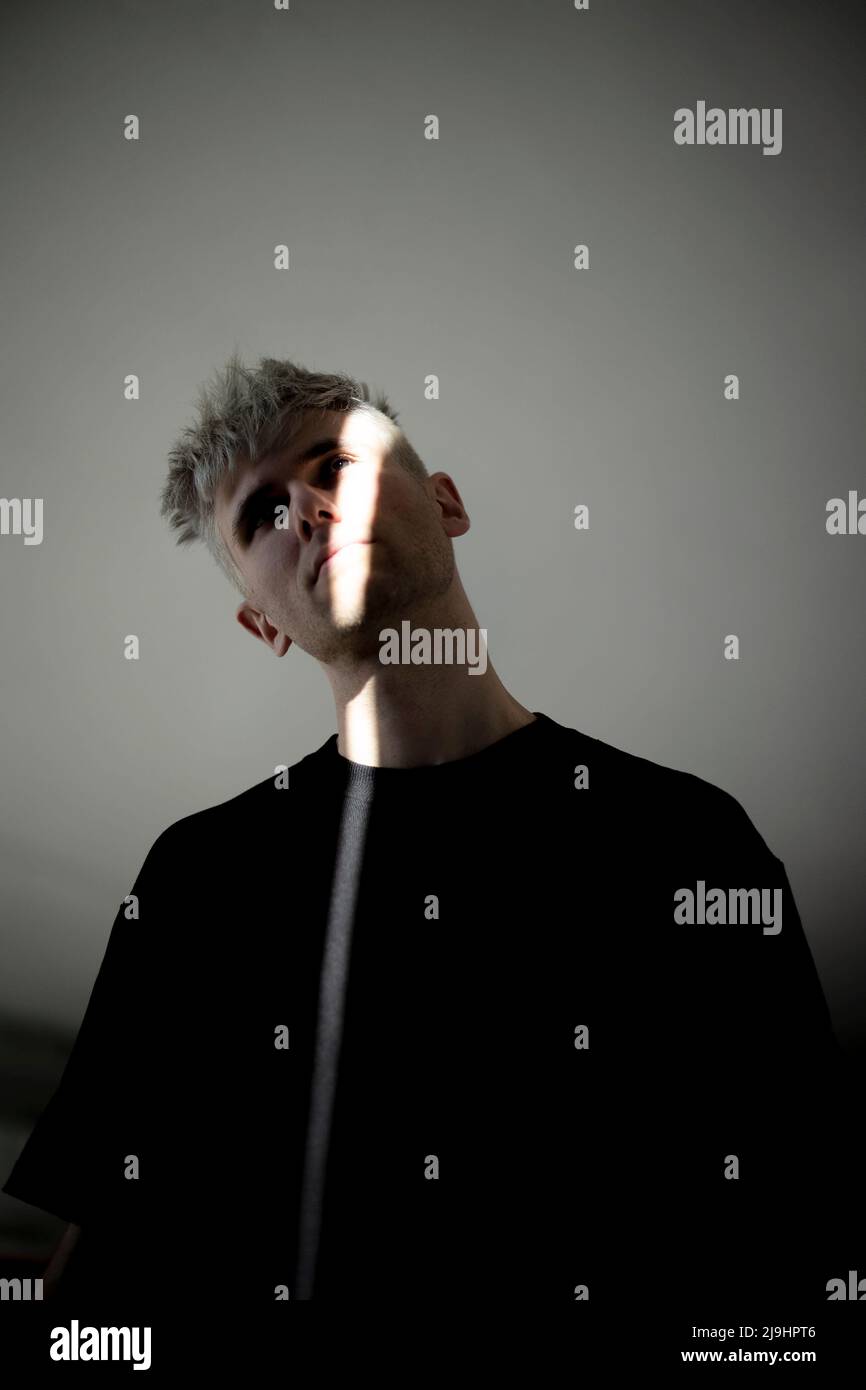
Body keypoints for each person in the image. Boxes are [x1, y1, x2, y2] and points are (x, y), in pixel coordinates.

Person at [2, 356, 858, 1353]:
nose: (313, 509)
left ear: (443, 501)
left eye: (336, 464)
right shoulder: (200, 880)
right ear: (260, 623)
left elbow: (797, 1215)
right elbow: (105, 1265)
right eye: (263, 513)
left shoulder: (686, 838)